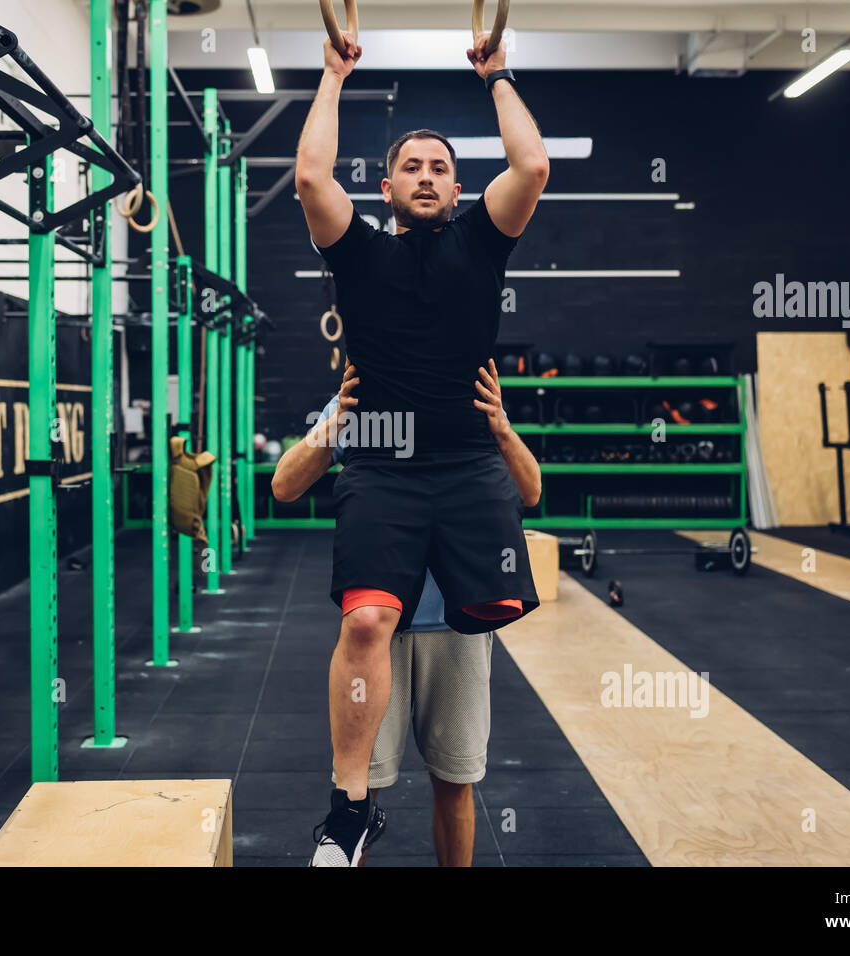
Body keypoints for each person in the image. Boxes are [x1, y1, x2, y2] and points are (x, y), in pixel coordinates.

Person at [294, 27, 549, 866]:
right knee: (366, 618)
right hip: (379, 466)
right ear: (387, 185)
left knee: (482, 628)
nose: (428, 175)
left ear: (458, 184)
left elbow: (534, 167)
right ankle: (349, 809)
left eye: (441, 166)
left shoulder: (484, 241)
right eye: (412, 166)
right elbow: (308, 177)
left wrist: (497, 74)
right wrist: (333, 75)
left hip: (471, 464)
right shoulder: (359, 254)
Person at [273, 358, 541, 866]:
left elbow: (531, 489)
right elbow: (284, 486)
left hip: (456, 626)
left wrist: (502, 428)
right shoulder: (363, 400)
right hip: (378, 633)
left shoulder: (466, 397)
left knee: (456, 783)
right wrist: (333, 427)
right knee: (359, 798)